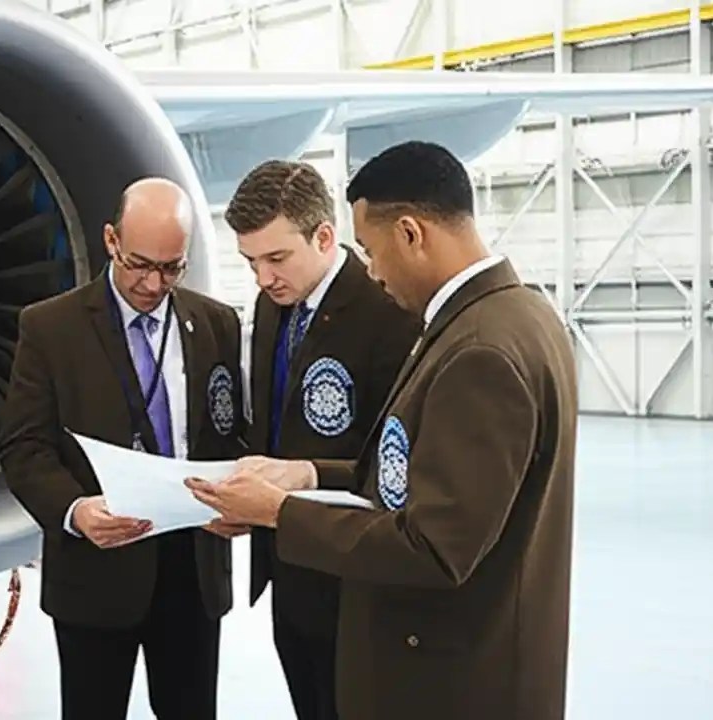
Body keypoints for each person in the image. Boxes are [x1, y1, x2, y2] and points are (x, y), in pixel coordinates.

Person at [187, 140, 579, 720]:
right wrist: (307, 473)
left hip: (452, 674)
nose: (369, 269)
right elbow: (412, 476)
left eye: (370, 250)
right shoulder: (517, 317)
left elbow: (434, 547)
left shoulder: (479, 352)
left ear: (411, 234)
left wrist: (280, 513)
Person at [0, 177, 248, 720]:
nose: (153, 283)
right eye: (140, 264)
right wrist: (74, 510)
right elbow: (24, 447)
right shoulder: (50, 328)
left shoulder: (215, 324)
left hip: (193, 569)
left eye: (171, 268)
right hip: (96, 570)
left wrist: (240, 499)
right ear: (111, 240)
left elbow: (231, 436)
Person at [222, 159, 419, 720]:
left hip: (357, 575)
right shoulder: (273, 304)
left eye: (276, 258)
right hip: (289, 567)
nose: (263, 277)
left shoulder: (388, 310)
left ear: (325, 237)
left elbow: (397, 456)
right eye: (251, 262)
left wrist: (307, 477)